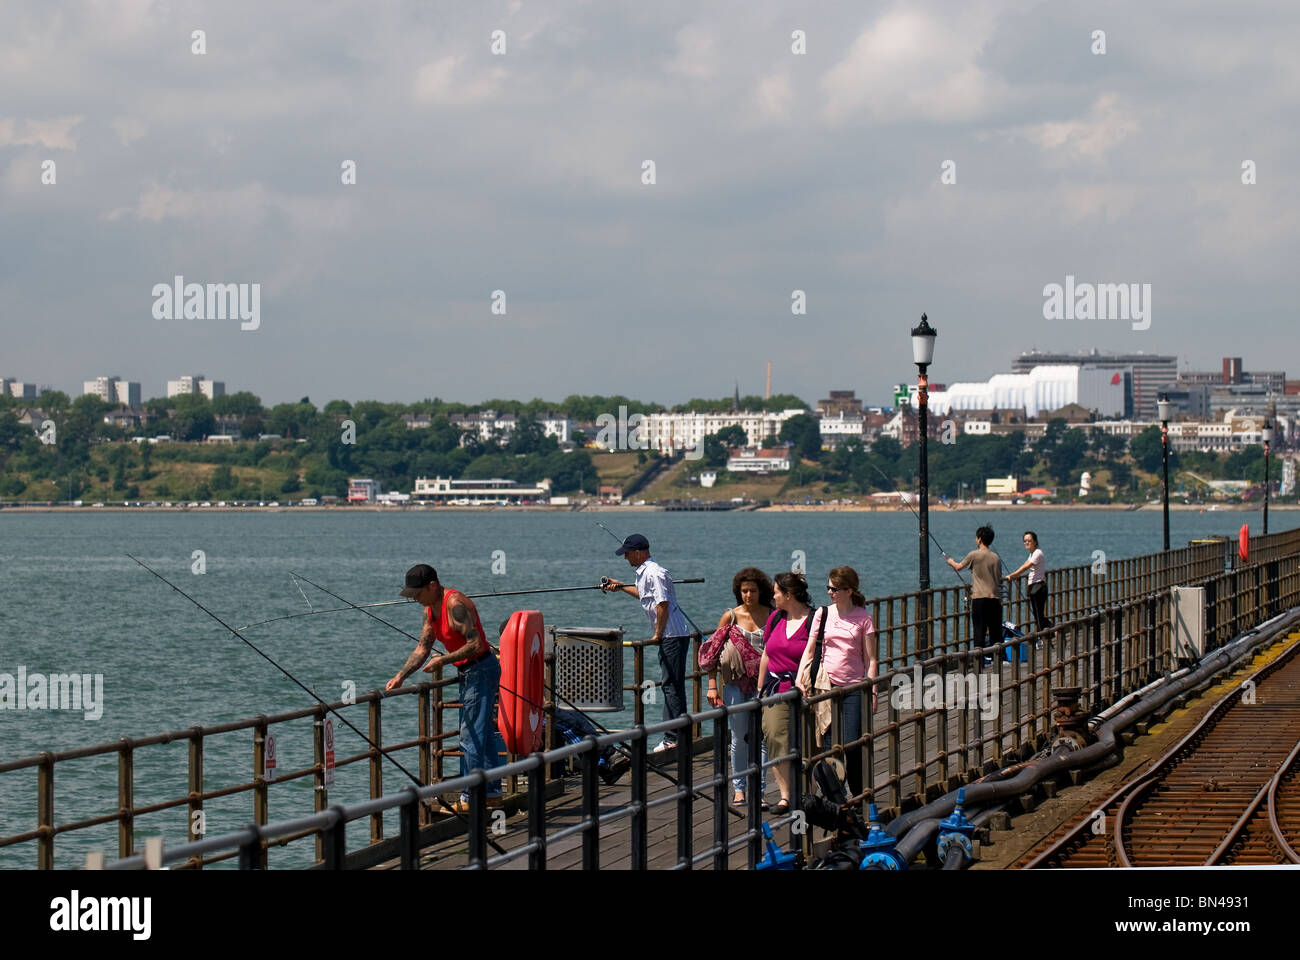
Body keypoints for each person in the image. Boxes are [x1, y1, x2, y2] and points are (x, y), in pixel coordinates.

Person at [386, 564, 505, 812]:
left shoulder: (455, 605)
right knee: (480, 735)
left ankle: (470, 798)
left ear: (432, 586)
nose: (415, 599)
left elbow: (476, 644)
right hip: (468, 671)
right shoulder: (431, 610)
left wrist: (443, 660)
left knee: (470, 735)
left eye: (417, 593)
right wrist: (401, 675)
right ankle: (492, 792)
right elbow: (423, 647)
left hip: (481, 669)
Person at [601, 534, 693, 752]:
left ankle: (673, 738)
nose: (625, 558)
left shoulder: (653, 572)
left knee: (671, 685)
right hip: (672, 635)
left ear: (639, 552)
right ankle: (678, 735)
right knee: (673, 685)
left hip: (672, 635)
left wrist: (657, 634)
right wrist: (621, 586)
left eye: (627, 554)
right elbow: (644, 595)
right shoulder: (644, 573)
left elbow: (662, 604)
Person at [798, 566, 877, 801]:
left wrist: (873, 690)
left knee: (852, 745)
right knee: (831, 747)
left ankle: (859, 791)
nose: (830, 592)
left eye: (834, 588)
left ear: (849, 590)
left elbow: (871, 659)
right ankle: (838, 799)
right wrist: (799, 679)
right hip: (825, 685)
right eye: (828, 588)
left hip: (853, 687)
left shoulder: (863, 617)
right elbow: (810, 649)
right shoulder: (822, 614)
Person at [707, 567, 772, 807]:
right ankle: (739, 788)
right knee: (738, 737)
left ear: (761, 591)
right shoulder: (730, 616)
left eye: (753, 590)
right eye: (744, 591)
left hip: (764, 684)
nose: (748, 595)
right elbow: (711, 653)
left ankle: (760, 789)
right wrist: (712, 685)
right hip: (734, 683)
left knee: (762, 737)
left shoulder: (772, 615)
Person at [756, 571, 814, 816]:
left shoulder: (814, 620)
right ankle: (786, 796)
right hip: (775, 689)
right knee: (776, 740)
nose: (773, 596)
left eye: (777, 592)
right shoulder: (775, 619)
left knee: (809, 745)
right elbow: (766, 655)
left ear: (789, 595)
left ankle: (810, 794)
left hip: (806, 691)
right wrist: (759, 691)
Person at [946, 525, 1003, 660]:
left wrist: (950, 561)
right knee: (995, 633)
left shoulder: (974, 554)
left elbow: (959, 567)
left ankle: (979, 664)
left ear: (979, 539)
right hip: (995, 598)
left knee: (979, 631)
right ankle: (997, 661)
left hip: (980, 599)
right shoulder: (996, 557)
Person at [1006, 530, 1053, 631]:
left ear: (1035, 542)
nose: (1026, 542)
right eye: (1025, 541)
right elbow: (1024, 564)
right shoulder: (1032, 554)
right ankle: (1049, 634)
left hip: (1039, 587)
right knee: (1037, 615)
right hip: (1034, 587)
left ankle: (1052, 632)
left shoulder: (1037, 553)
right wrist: (1013, 574)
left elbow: (1025, 567)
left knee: (1039, 615)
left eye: (1029, 540)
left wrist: (1012, 575)